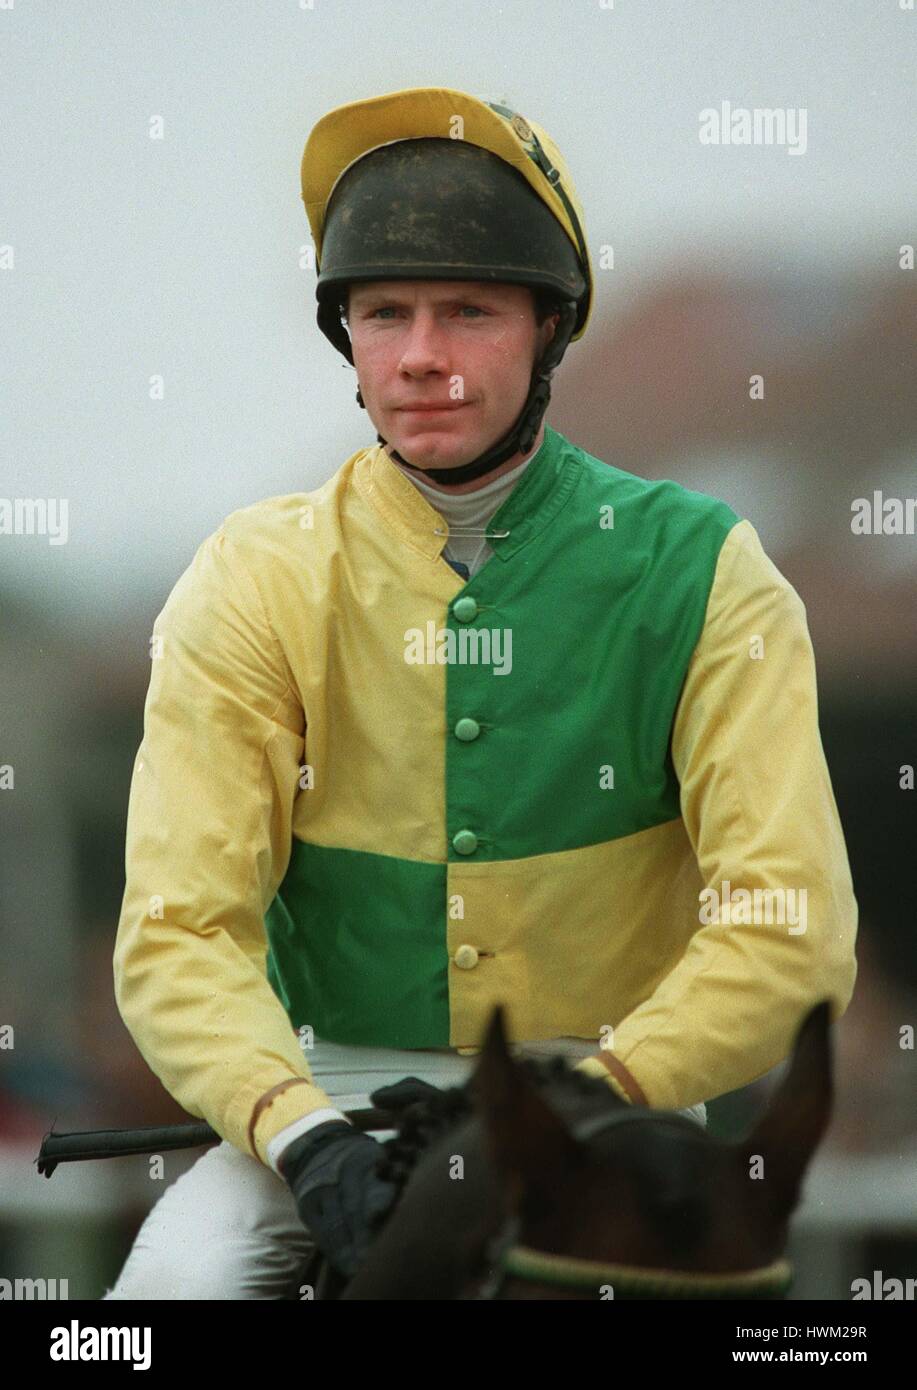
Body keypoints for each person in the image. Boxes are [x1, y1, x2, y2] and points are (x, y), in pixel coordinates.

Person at [104, 87, 857, 1300]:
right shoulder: (252, 577)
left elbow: (787, 926)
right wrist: (298, 1133)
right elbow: (180, 931)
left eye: (469, 312)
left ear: (549, 328)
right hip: (326, 1097)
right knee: (163, 1298)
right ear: (344, 337)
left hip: (617, 1095)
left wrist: (582, 1099)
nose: (420, 355)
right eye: (382, 313)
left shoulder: (708, 569)